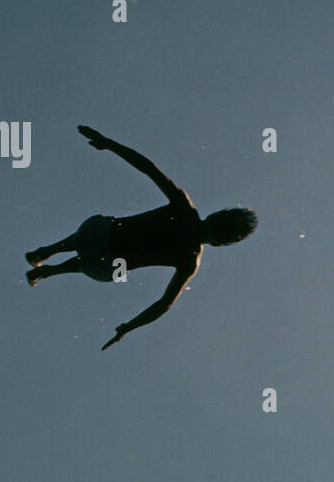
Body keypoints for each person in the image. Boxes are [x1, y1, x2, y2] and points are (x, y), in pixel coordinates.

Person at [26, 125, 256, 350]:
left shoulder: (184, 208)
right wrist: (128, 327)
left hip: (100, 232)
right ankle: (48, 270)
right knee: (114, 266)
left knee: (100, 234)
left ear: (215, 215)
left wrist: (108, 144)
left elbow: (149, 168)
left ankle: (47, 252)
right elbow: (164, 304)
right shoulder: (190, 259)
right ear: (220, 242)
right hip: (105, 267)